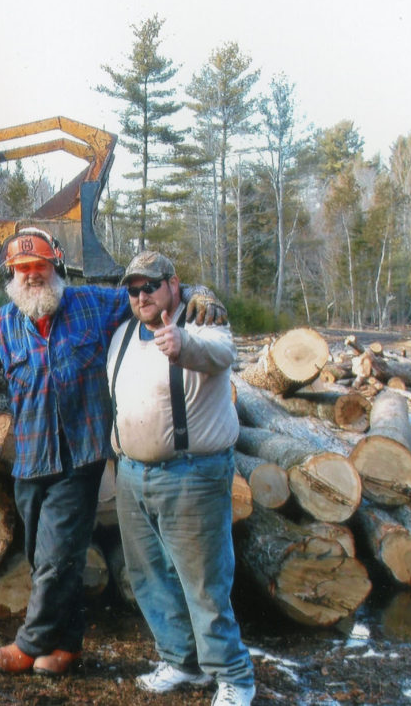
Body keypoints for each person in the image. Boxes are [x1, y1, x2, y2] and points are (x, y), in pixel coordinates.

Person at [0, 228, 225, 677]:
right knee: (47, 559)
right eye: (22, 270)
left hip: (79, 458)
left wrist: (200, 292)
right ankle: (67, 646)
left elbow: (150, 295)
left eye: (39, 267)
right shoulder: (3, 326)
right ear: (11, 276)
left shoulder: (92, 306)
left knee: (58, 556)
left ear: (55, 267)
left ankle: (31, 642)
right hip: (30, 459)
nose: (31, 277)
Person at [108, 250, 255, 706]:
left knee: (204, 582)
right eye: (133, 290)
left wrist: (183, 346)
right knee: (149, 576)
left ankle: (234, 676)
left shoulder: (202, 322)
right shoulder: (122, 334)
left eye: (150, 285)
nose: (141, 296)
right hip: (131, 475)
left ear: (174, 283)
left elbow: (220, 352)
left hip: (191, 476)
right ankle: (181, 661)